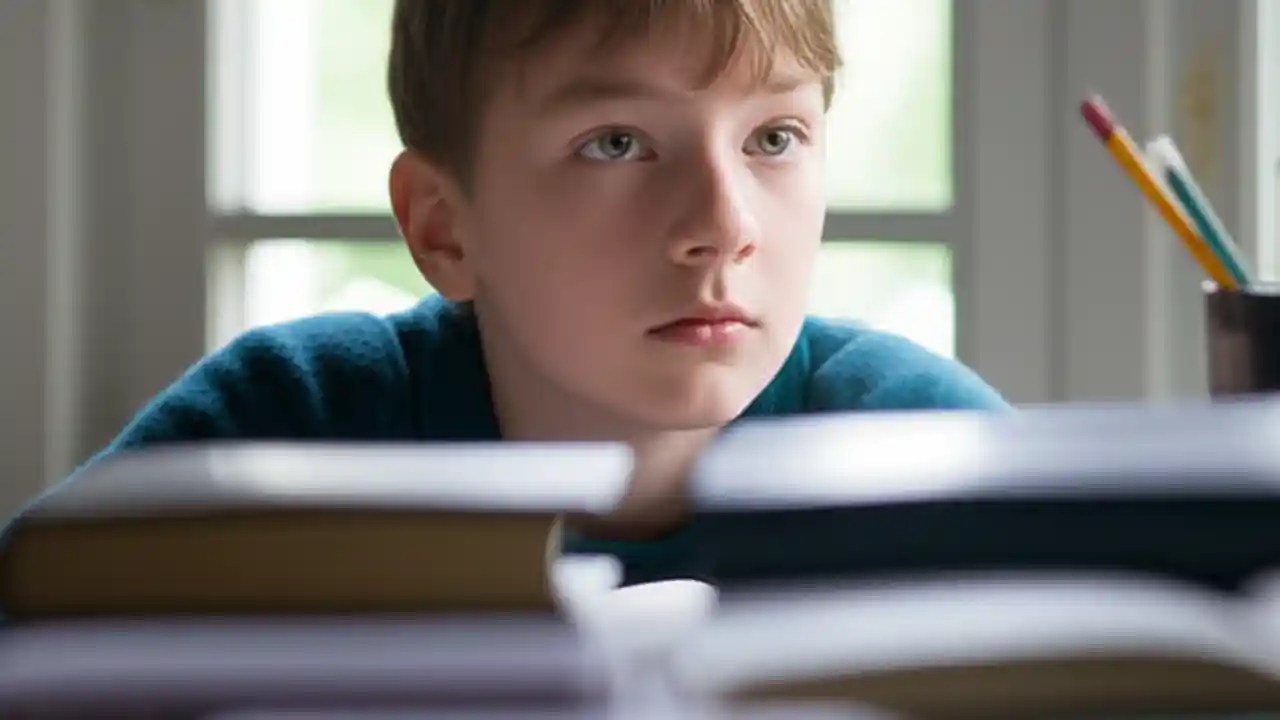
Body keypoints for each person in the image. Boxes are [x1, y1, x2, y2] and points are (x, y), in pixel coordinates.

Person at [41, 0, 1006, 582]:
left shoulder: (922, 442)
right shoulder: (292, 418)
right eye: (617, 143)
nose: (725, 222)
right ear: (443, 228)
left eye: (774, 138)